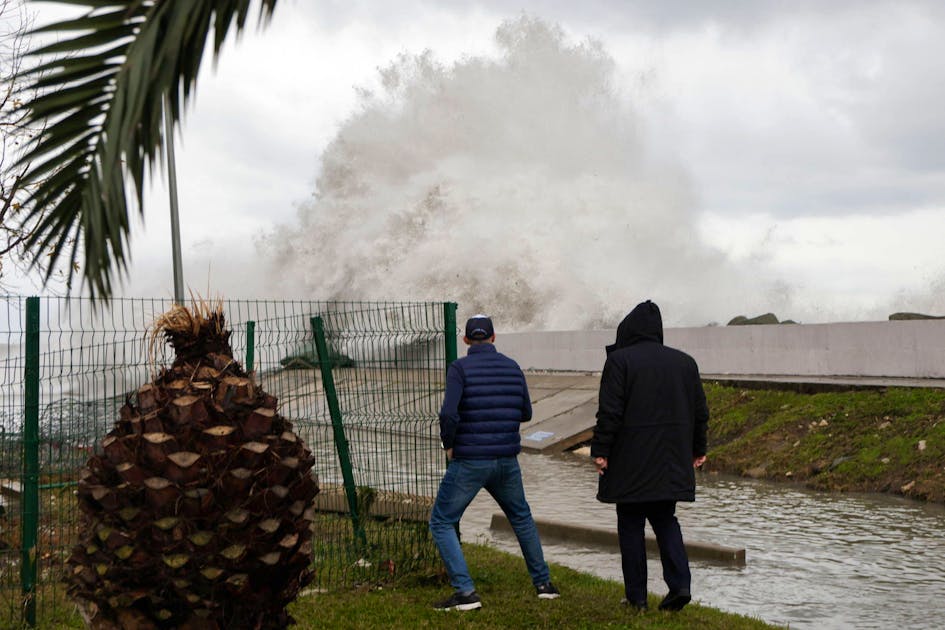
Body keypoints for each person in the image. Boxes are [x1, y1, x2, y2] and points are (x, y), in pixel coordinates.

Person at [428, 314, 559, 611]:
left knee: (441, 521)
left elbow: (448, 414)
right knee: (521, 518)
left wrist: (449, 444)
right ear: (494, 337)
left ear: (465, 340)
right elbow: (526, 412)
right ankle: (544, 585)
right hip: (507, 461)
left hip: (470, 461)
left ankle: (465, 593)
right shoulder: (512, 367)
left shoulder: (459, 368)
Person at [591, 300, 709, 612]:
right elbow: (700, 413)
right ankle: (680, 585)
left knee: (630, 524)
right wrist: (699, 449)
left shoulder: (620, 362)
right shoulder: (686, 363)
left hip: (629, 461)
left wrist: (601, 450)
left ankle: (637, 599)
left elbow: (610, 412)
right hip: (670, 460)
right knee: (666, 520)